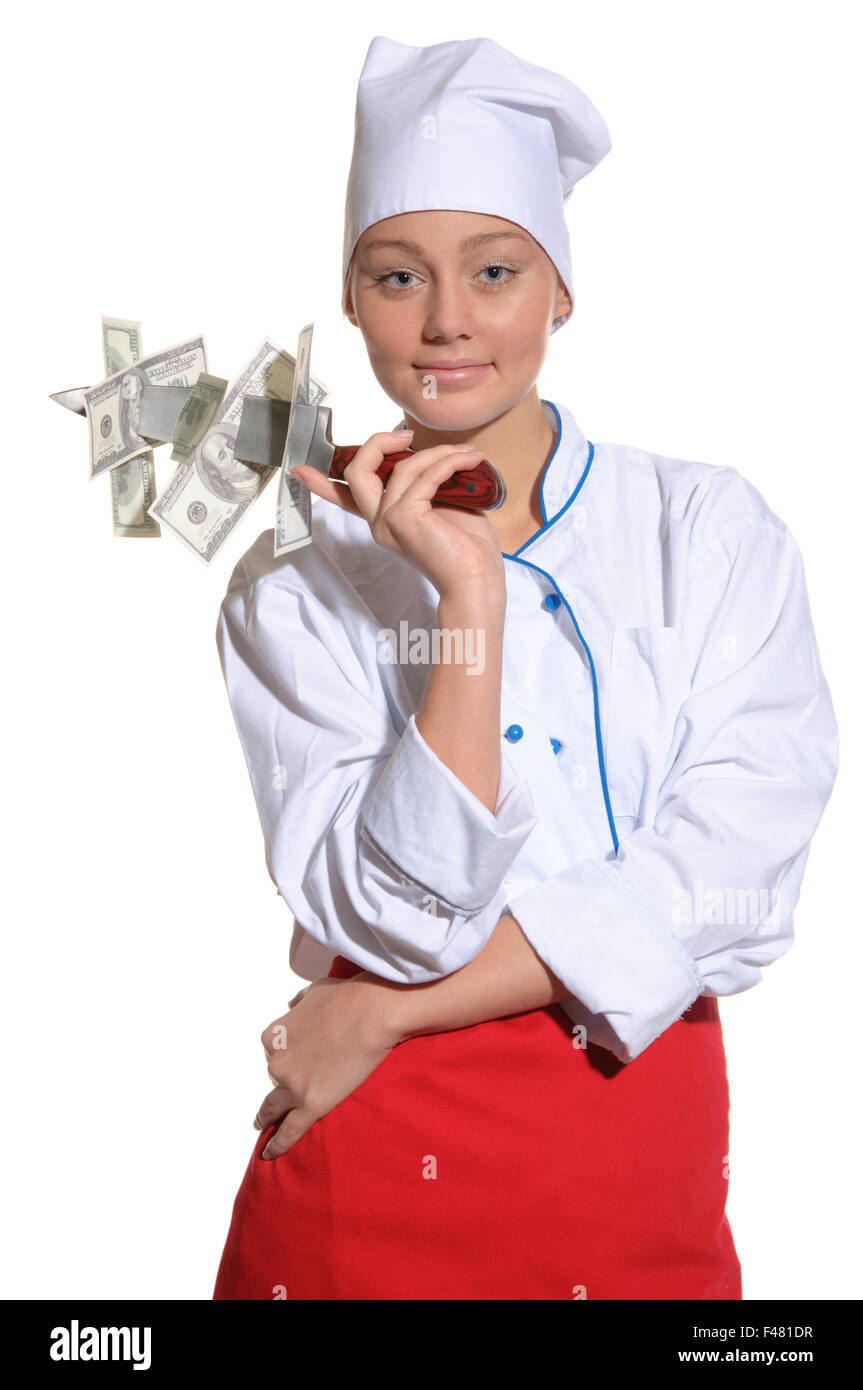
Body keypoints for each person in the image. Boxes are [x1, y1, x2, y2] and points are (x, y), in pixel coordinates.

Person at [211, 35, 838, 1301]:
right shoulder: (291, 585)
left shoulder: (705, 531)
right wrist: (468, 600)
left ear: (559, 288)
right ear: (349, 298)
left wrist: (388, 1012)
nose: (445, 320)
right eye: (398, 276)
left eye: (492, 271)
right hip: (369, 1160)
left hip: (618, 1125)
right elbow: (393, 916)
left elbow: (735, 883)